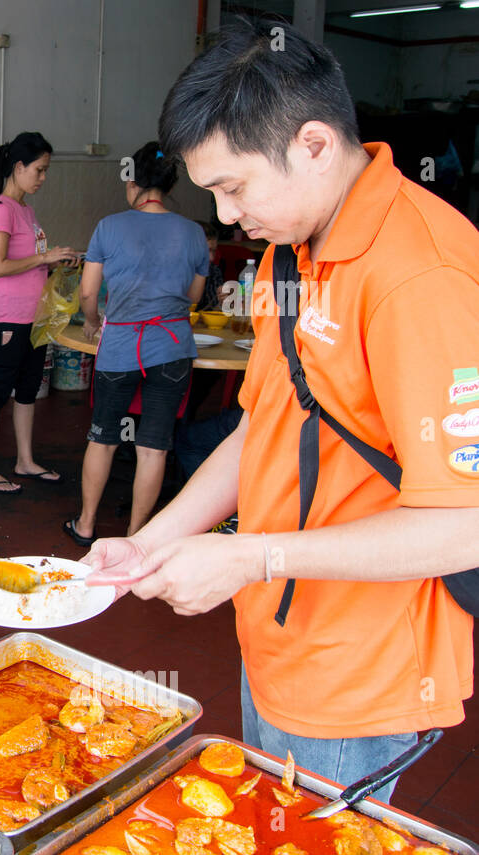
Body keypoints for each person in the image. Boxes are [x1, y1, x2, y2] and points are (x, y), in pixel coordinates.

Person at [84, 18, 479, 801]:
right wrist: (152, 541)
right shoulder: (287, 254)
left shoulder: (421, 275)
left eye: (234, 186)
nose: (226, 215)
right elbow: (263, 423)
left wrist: (252, 558)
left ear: (314, 145)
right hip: (276, 637)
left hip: (358, 671)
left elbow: (462, 522)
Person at [63, 142, 208, 545]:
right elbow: (194, 295)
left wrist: (93, 323)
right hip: (173, 348)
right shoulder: (195, 232)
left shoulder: (109, 227)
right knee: (153, 447)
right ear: (169, 185)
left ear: (132, 182)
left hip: (122, 346)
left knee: (103, 437)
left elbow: (88, 293)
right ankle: (137, 537)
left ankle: (87, 524)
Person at [0, 132, 80, 496]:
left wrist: (57, 261)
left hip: (35, 317)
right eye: (39, 170)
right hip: (9, 317)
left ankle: (25, 461)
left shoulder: (27, 211)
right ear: (18, 167)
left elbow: (29, 264)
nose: (43, 178)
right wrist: (45, 257)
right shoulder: (1, 211)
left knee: (29, 389)